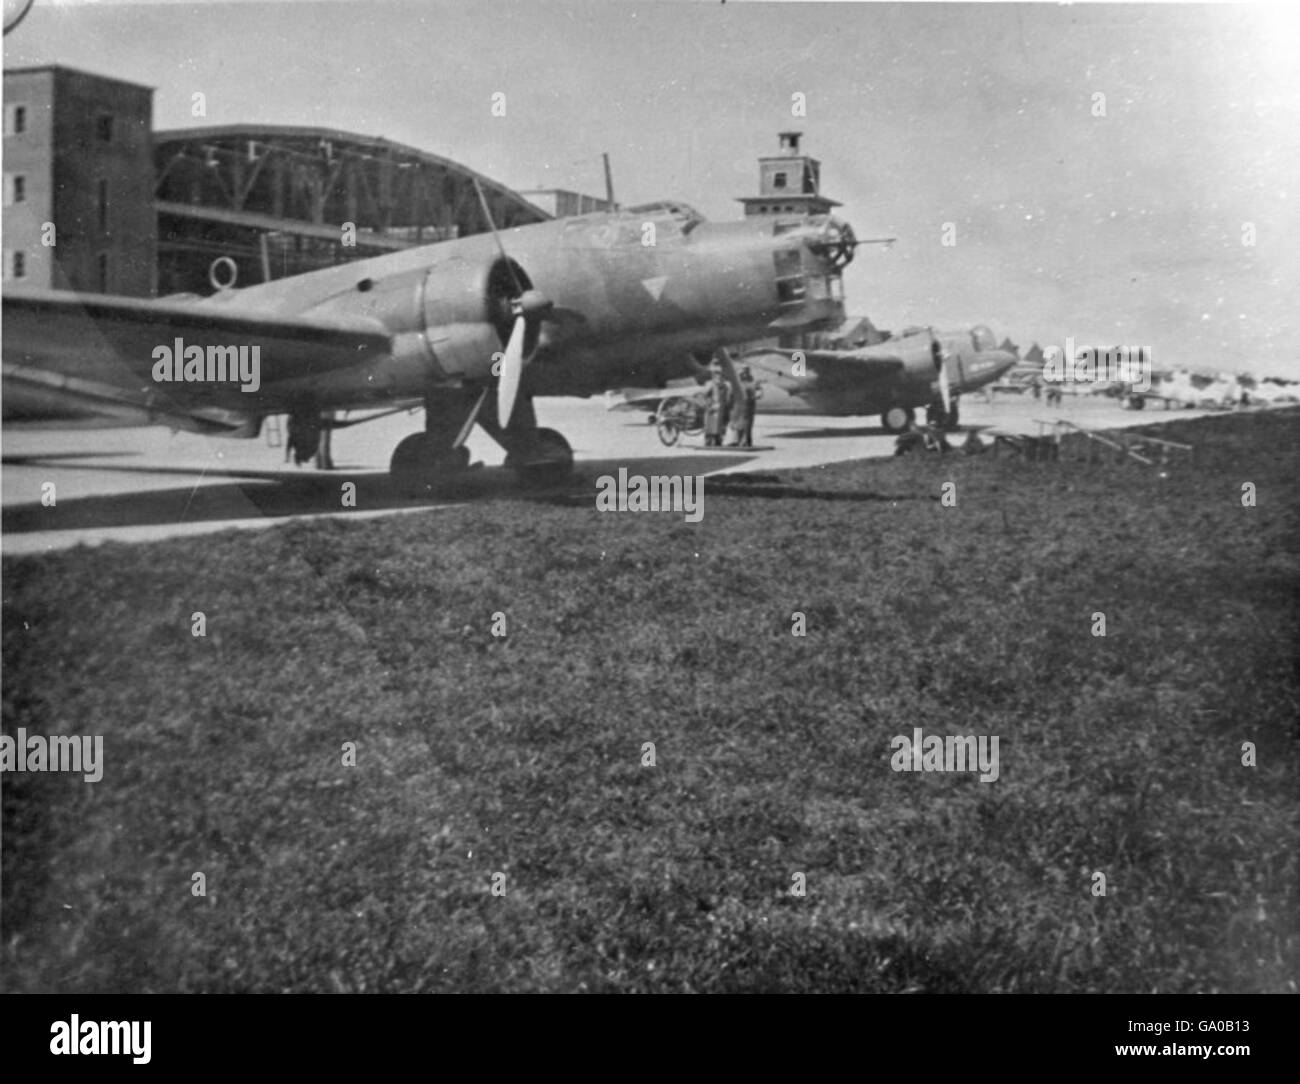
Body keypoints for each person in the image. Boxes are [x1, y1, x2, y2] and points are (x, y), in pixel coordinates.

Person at [703, 361, 732, 447]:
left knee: (721, 426)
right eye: (716, 374)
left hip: (722, 409)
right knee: (710, 426)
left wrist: (727, 405)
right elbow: (705, 395)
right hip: (713, 409)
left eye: (720, 374)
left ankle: (718, 441)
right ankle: (708, 441)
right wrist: (709, 404)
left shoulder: (726, 386)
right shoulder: (711, 384)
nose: (718, 376)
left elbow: (728, 398)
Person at [736, 367, 761, 447]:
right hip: (739, 407)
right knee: (740, 424)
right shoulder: (738, 383)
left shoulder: (753, 382)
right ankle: (740, 441)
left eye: (746, 372)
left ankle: (747, 441)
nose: (745, 374)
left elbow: (759, 392)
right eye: (743, 373)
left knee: (748, 425)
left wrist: (755, 396)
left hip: (750, 406)